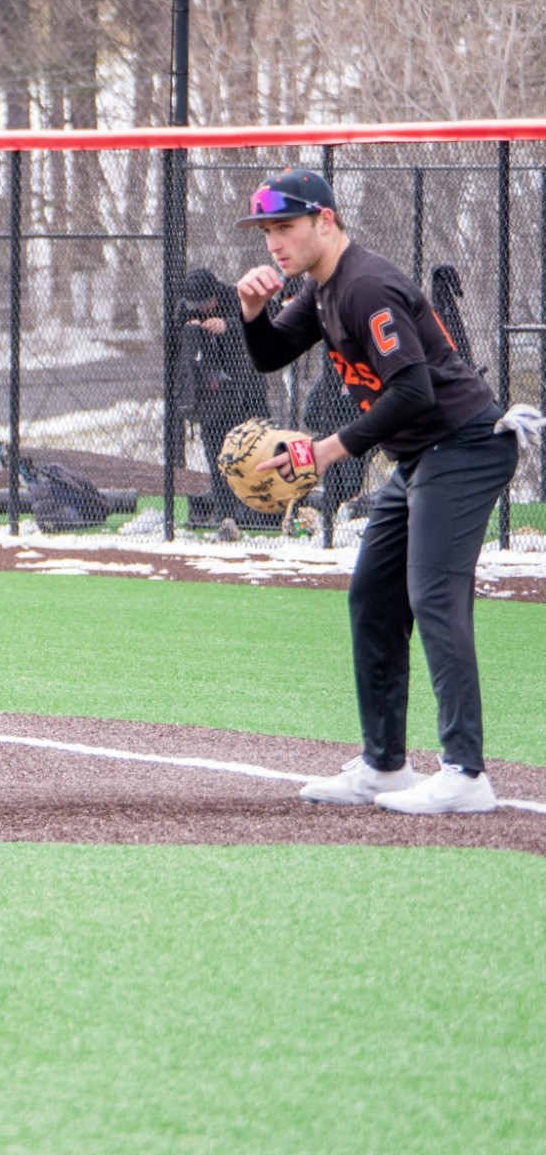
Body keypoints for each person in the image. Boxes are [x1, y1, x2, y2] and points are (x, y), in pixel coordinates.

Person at [234, 169, 517, 814]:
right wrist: (252, 313)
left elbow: (413, 390)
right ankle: (385, 766)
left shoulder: (364, 286)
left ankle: (467, 774)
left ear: (324, 222)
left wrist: (330, 449)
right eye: (267, 231)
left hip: (466, 444)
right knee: (373, 596)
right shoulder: (324, 288)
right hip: (424, 454)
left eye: (284, 226)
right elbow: (272, 354)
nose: (273, 242)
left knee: (433, 594)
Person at [178, 267, 272, 524]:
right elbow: (176, 335)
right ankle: (225, 513)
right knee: (216, 452)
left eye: (206, 304)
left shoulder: (237, 298)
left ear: (215, 294)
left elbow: (271, 321)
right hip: (211, 396)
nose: (203, 309)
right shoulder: (190, 309)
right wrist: (191, 328)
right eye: (197, 306)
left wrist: (228, 326)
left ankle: (257, 511)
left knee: (254, 448)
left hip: (245, 389)